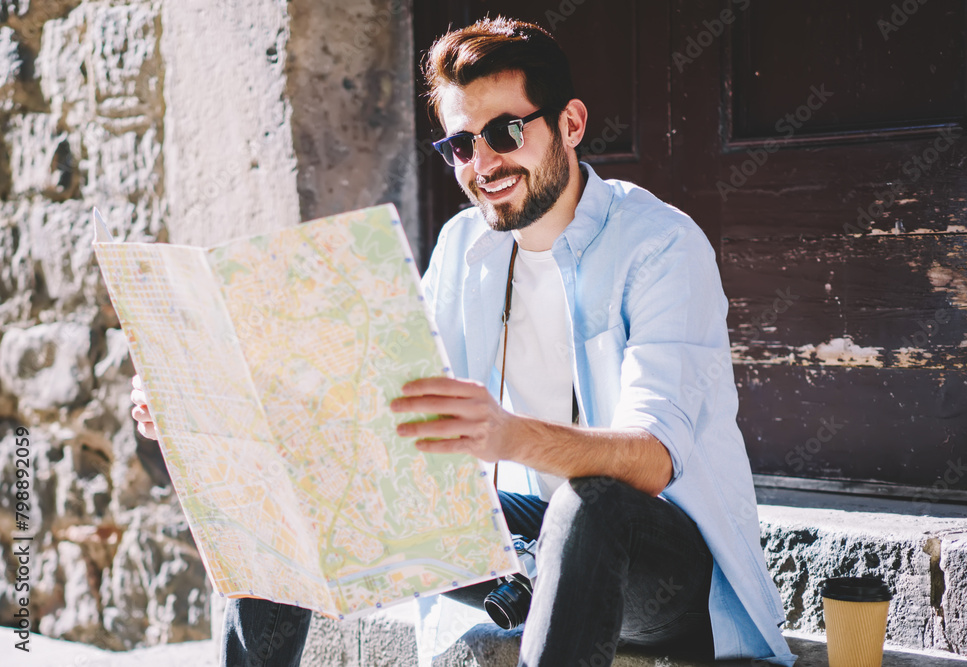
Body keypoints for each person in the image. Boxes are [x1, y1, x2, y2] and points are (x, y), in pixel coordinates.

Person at [131, 17, 794, 667]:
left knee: (590, 500)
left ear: (570, 124)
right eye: (460, 146)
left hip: (659, 572)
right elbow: (378, 425)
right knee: (299, 485)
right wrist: (209, 406)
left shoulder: (659, 246)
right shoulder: (463, 246)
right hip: (521, 549)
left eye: (506, 132)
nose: (483, 163)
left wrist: (507, 435)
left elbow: (652, 460)